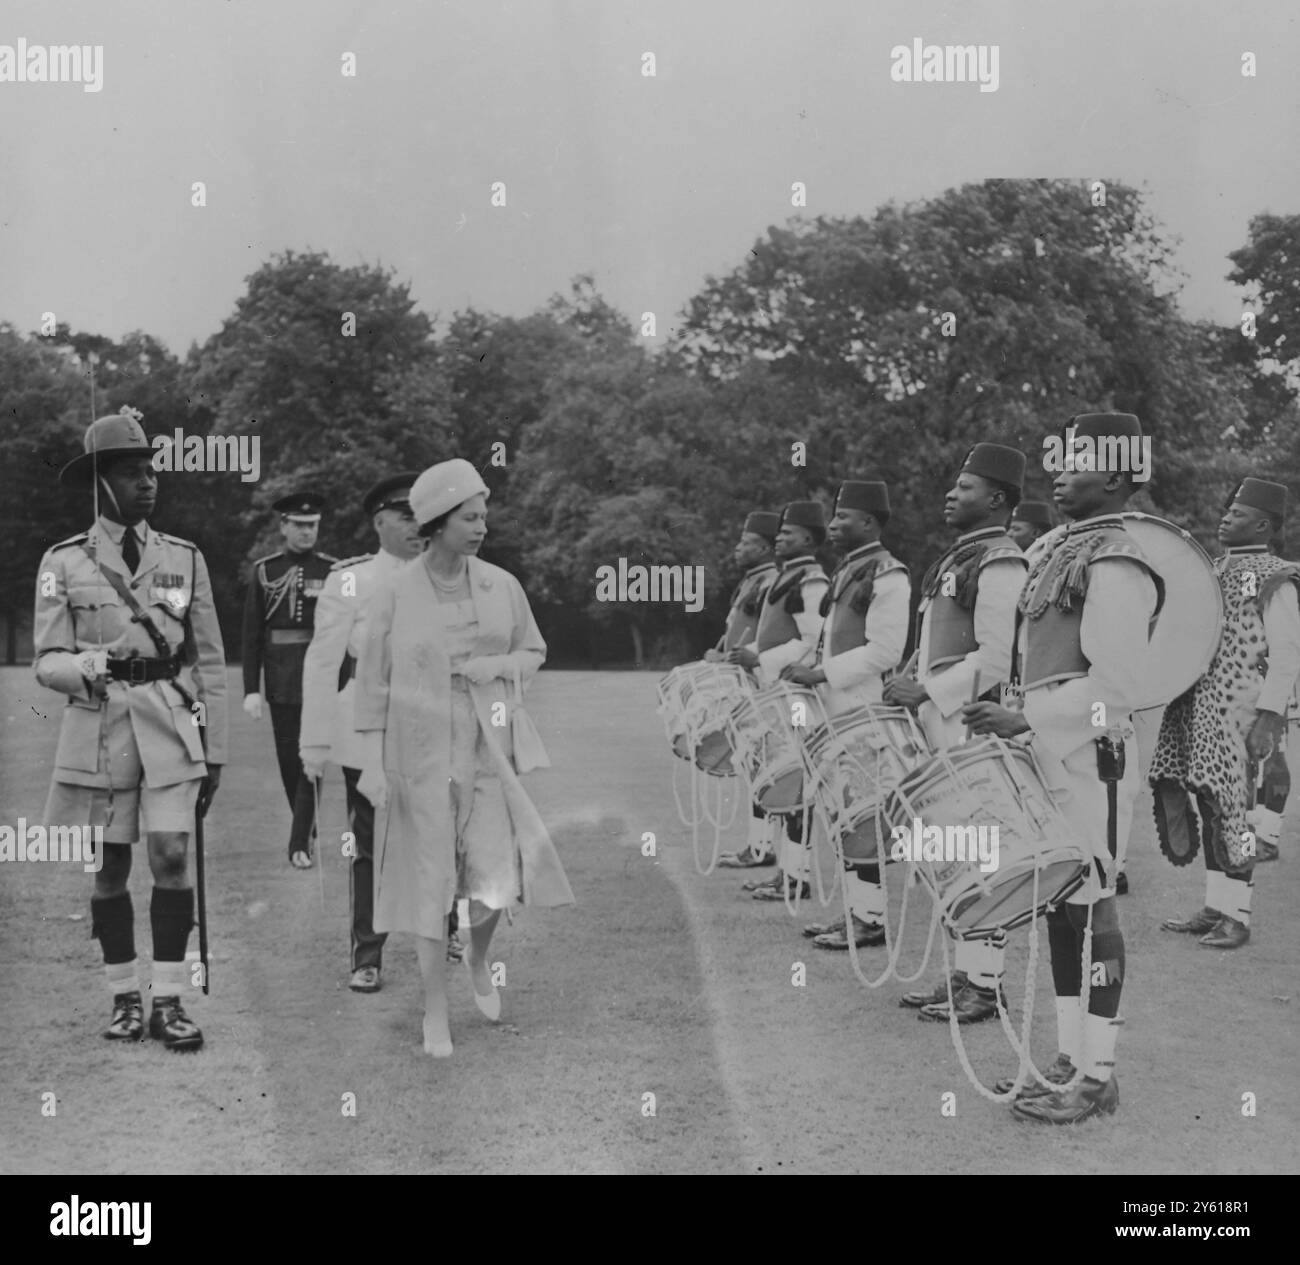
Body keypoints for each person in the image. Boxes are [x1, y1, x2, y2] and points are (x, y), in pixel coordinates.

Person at [964, 413, 1160, 1123]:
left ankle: (1098, 1073)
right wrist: (1016, 717)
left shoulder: (1117, 557)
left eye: (1075, 460)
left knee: (1095, 903)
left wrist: (1031, 719)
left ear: (1113, 475)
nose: (1058, 469)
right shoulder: (1056, 548)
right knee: (1061, 906)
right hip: (1046, 750)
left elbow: (1119, 686)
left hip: (1093, 761)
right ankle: (1072, 1055)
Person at [353, 458, 574, 1057]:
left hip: (486, 747)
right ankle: (434, 1011)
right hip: (418, 751)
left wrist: (495, 667)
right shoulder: (394, 593)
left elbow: (534, 649)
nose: (481, 526)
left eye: (484, 515)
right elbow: (371, 683)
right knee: (429, 879)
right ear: (438, 522)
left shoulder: (501, 584)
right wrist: (370, 766)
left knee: (494, 877)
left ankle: (477, 956)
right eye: (469, 517)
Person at [34, 408, 227, 1050]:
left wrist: (216, 745)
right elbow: (46, 661)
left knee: (170, 854)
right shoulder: (63, 562)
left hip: (171, 725)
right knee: (110, 863)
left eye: (151, 470)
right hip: (101, 726)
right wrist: (97, 662)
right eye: (130, 471)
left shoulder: (185, 557)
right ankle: (122, 997)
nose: (148, 483)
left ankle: (168, 1001)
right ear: (100, 483)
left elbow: (209, 660)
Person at [885, 444, 1028, 1018]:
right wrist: (909, 679)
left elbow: (996, 660)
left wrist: (929, 690)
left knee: (978, 855)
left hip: (970, 726)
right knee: (950, 852)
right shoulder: (958, 559)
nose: (951, 493)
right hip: (939, 725)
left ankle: (986, 986)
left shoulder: (1000, 562)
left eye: (965, 487)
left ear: (996, 499)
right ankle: (966, 973)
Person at [299, 472, 447, 993]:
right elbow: (322, 662)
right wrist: (314, 743)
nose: (417, 526)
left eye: (422, 516)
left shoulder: (449, 572)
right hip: (369, 724)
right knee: (369, 844)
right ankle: (368, 954)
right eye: (405, 516)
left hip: (433, 724)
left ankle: (445, 927)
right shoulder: (351, 579)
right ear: (379, 521)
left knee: (440, 831)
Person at [1153, 477, 1300, 948]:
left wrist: (1269, 716)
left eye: (1236, 513)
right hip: (1203, 712)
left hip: (1245, 715)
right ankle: (1216, 906)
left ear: (1263, 523)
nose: (1224, 517)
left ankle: (1238, 916)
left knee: (1241, 815)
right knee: (1211, 803)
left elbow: (1288, 651)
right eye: (1226, 510)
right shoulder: (1213, 570)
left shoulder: (1277, 576)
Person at [783, 481, 909, 949]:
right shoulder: (851, 569)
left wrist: (822, 675)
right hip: (838, 707)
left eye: (843, 517)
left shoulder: (889, 574)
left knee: (863, 814)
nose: (833, 524)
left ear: (870, 523)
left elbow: (885, 651)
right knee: (842, 812)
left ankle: (871, 920)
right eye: (832, 517)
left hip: (863, 709)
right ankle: (859, 913)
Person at [727, 501, 829, 902]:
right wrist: (749, 653)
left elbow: (812, 642)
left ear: (807, 538)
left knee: (796, 785)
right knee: (782, 779)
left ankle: (796, 876)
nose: (780, 538)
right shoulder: (791, 577)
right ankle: (786, 872)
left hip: (797, 696)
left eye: (788, 533)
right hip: (779, 691)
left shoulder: (811, 581)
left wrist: (761, 660)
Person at [241, 493, 336, 868]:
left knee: (313, 755)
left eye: (311, 525)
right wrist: (251, 688)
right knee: (287, 761)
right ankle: (305, 824)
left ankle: (299, 842)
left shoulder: (334, 571)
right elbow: (252, 636)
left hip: (321, 674)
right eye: (298, 525)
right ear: (284, 527)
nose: (306, 532)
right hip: (281, 676)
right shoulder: (266, 571)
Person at [710, 510, 782, 869]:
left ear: (767, 548)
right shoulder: (753, 580)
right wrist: (720, 651)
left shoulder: (771, 581)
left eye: (747, 542)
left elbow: (766, 635)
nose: (738, 549)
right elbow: (736, 629)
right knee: (754, 767)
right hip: (741, 681)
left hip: (759, 684)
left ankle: (763, 847)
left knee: (764, 766)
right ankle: (757, 845)